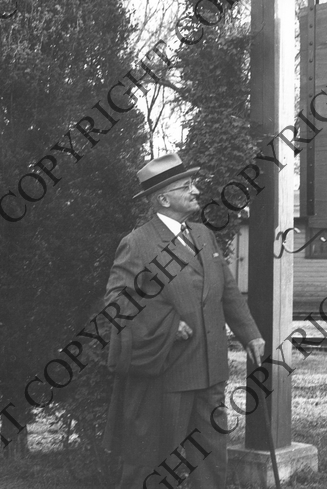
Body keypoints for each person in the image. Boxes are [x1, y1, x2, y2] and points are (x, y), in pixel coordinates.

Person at [102, 153, 265, 489]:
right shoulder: (138, 243)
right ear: (164, 199)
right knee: (152, 463)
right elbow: (117, 305)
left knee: (210, 460)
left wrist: (251, 334)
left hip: (211, 372)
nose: (196, 190)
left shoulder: (204, 234)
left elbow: (228, 290)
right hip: (168, 374)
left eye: (193, 183)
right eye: (187, 185)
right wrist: (165, 322)